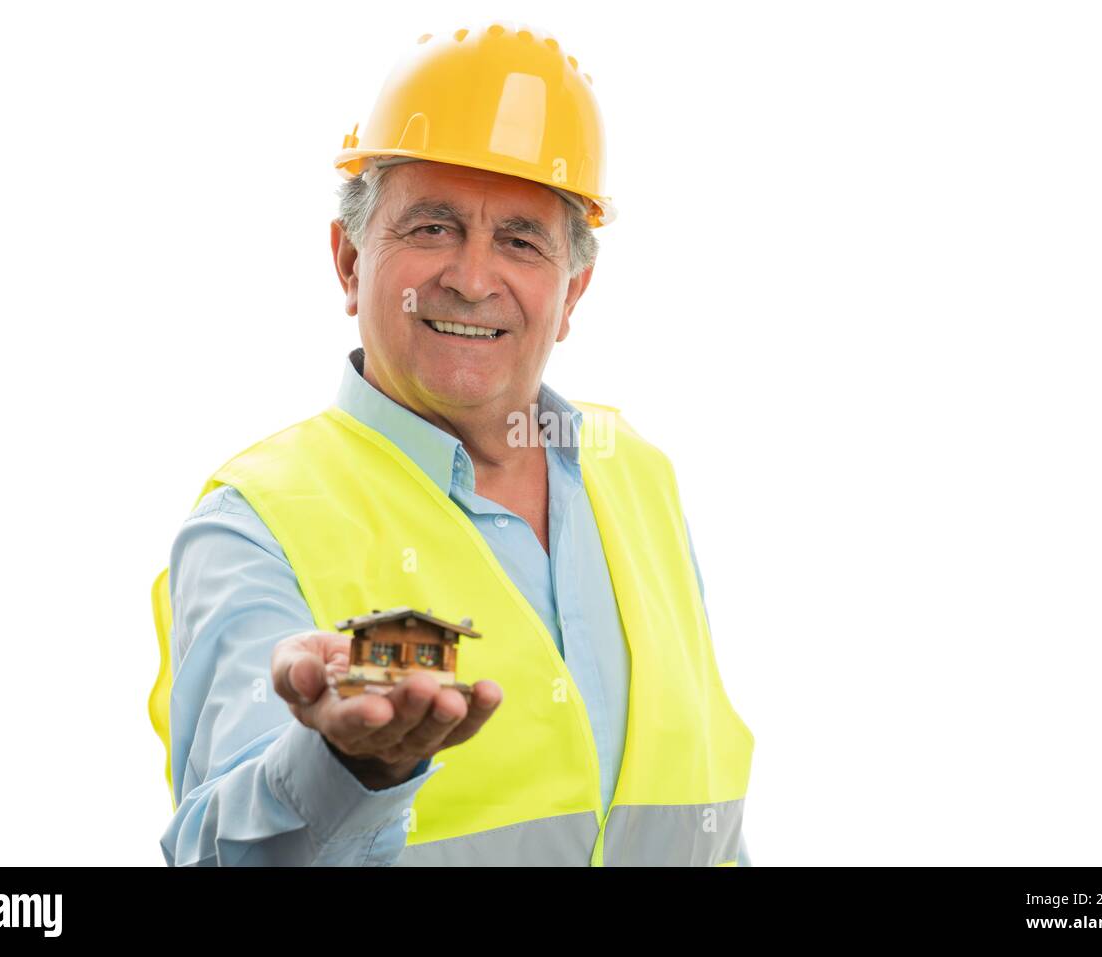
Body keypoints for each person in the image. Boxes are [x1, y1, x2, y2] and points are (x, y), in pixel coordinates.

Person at [150, 21, 754, 866]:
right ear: (348, 259)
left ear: (572, 290)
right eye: (432, 227)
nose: (472, 278)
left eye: (519, 240)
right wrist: (347, 767)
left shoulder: (637, 474)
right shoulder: (254, 523)